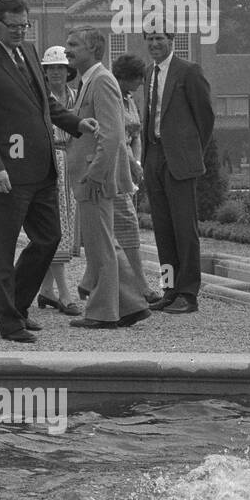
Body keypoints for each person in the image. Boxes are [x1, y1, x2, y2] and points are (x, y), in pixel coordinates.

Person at [0, 0, 93, 343]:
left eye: (24, 25)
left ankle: (16, 305)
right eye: (13, 26)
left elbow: (46, 104)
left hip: (41, 169)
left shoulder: (29, 52)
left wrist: (78, 124)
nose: (20, 31)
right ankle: (9, 322)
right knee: (3, 250)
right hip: (8, 174)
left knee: (49, 238)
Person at [63, 27, 151, 329]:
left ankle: (103, 313)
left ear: (94, 50)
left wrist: (95, 175)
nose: (68, 49)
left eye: (74, 45)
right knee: (105, 243)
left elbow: (112, 134)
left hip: (95, 178)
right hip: (93, 175)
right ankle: (131, 304)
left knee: (101, 247)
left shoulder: (101, 81)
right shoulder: (92, 80)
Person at [143, 28, 215, 314]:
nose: (154, 43)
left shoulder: (188, 72)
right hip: (154, 156)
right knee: (162, 229)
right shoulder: (149, 74)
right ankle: (170, 289)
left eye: (160, 38)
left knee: (184, 228)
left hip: (180, 160)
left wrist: (191, 152)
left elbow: (205, 117)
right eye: (149, 39)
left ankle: (188, 293)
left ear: (171, 41)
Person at [111, 53, 162, 304]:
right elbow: (116, 136)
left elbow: (136, 134)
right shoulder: (112, 97)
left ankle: (91, 283)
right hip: (116, 169)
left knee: (120, 227)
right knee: (127, 226)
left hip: (130, 169)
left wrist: (138, 163)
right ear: (127, 77)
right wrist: (131, 164)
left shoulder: (129, 100)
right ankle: (141, 285)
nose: (142, 84)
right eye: (139, 79)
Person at [36, 46, 82, 317]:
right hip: (48, 163)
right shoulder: (41, 99)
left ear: (68, 71)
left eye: (60, 68)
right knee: (56, 227)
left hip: (72, 162)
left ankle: (46, 290)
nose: (55, 73)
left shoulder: (76, 97)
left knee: (66, 226)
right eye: (51, 68)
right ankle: (64, 293)